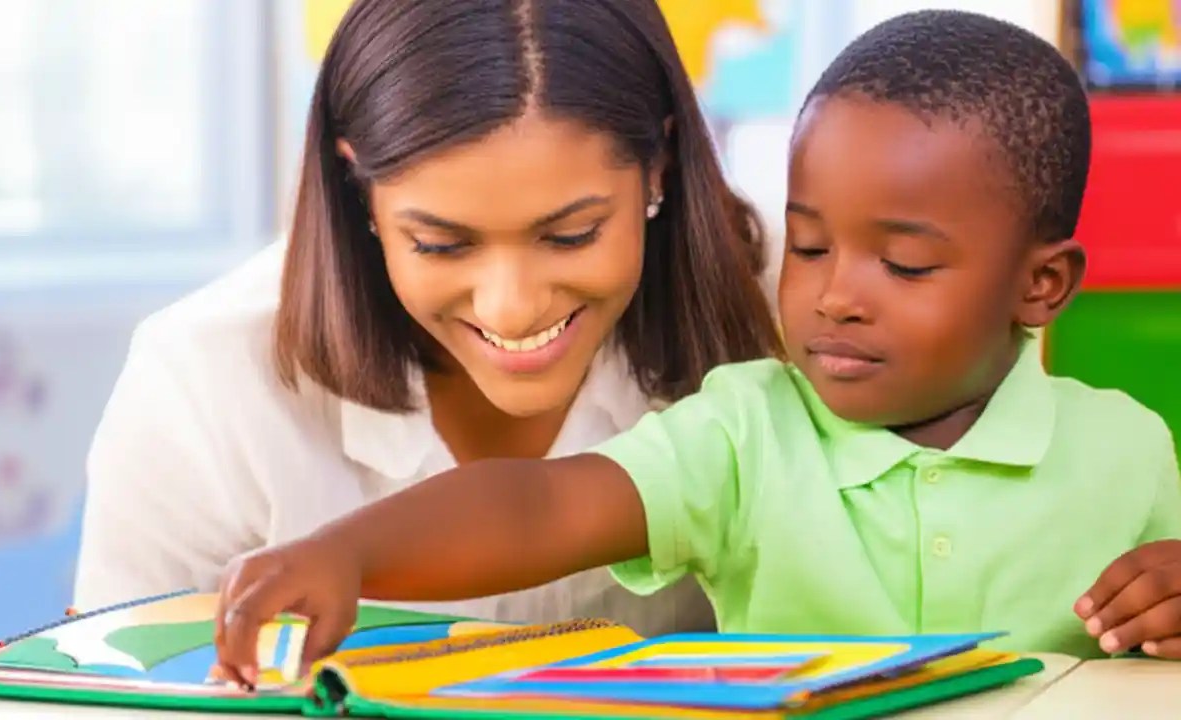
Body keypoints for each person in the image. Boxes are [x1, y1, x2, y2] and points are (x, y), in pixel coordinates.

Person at [211, 10, 1181, 685]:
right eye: (807, 247)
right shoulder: (743, 430)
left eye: (903, 265)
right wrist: (350, 551)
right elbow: (537, 506)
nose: (834, 296)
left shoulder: (1127, 451)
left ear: (1038, 287)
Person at [71, 0, 782, 639]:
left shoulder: (801, 316)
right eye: (441, 244)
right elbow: (116, 680)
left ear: (657, 166)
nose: (512, 305)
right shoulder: (201, 382)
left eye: (571, 235)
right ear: (360, 191)